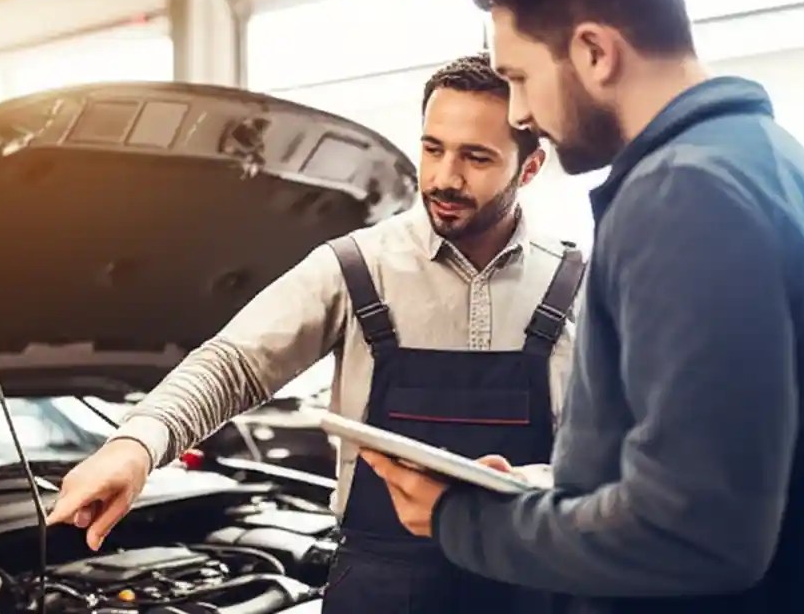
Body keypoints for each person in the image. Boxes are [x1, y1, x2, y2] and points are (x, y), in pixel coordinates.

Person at [361, 0, 804, 614]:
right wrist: (548, 491)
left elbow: (695, 534)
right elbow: (727, 468)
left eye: (520, 77)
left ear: (593, 52)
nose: (520, 113)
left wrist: (463, 520)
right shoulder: (789, 174)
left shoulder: (684, 194)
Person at [46, 53, 587, 613]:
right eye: (432, 149)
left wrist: (543, 485)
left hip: (530, 582)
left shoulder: (577, 286)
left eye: (476, 157)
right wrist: (136, 445)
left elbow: (619, 456)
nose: (445, 177)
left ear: (529, 168)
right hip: (381, 587)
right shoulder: (355, 266)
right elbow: (234, 364)